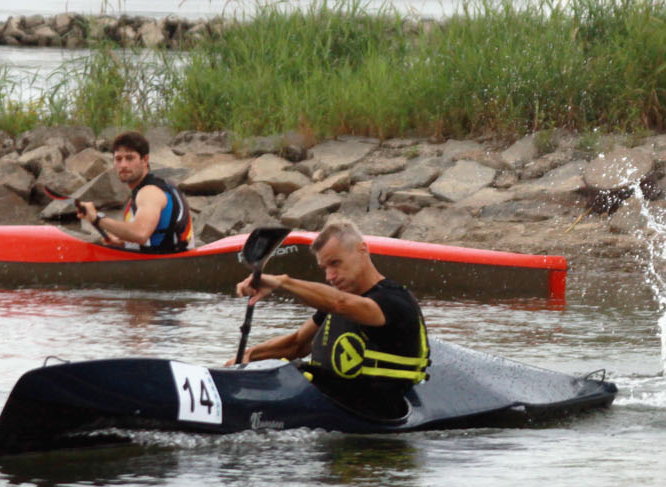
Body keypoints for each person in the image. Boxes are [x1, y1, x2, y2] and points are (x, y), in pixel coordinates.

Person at [233, 217, 429, 420]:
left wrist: (282, 282)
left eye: (335, 263)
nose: (329, 276)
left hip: (371, 416)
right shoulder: (334, 302)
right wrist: (249, 357)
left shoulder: (394, 302)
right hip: (327, 402)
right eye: (325, 268)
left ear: (362, 250)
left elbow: (341, 304)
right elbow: (297, 345)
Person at [76, 131, 191, 252]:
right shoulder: (148, 190)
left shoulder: (150, 192)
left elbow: (140, 233)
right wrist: (121, 242)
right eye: (118, 159)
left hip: (166, 263)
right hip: (163, 259)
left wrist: (97, 218)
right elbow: (152, 237)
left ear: (145, 160)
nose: (123, 164)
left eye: (130, 158)